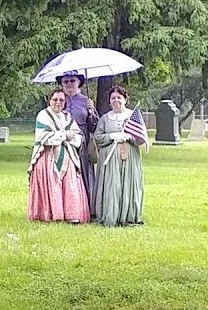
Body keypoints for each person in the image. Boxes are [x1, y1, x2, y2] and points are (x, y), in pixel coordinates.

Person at [27, 88, 91, 223]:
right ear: (49, 100)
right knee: (52, 182)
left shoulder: (67, 117)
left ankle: (71, 214)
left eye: (61, 100)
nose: (58, 102)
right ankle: (50, 213)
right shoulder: (43, 116)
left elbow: (78, 135)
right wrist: (64, 135)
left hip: (68, 156)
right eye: (55, 99)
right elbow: (44, 137)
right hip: (48, 157)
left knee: (70, 183)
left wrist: (69, 137)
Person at [92, 85, 146, 226]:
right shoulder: (105, 118)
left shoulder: (133, 117)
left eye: (119, 97)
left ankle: (128, 215)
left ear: (125, 99)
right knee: (111, 185)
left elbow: (140, 139)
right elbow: (97, 137)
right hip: (109, 159)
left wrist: (129, 137)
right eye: (113, 98)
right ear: (109, 101)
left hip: (129, 157)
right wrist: (112, 136)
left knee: (128, 183)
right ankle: (110, 215)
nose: (116, 100)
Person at [58, 71, 99, 215]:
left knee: (83, 172)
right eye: (66, 81)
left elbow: (94, 125)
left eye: (72, 81)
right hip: (62, 141)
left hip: (81, 141)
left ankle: (86, 207)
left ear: (78, 82)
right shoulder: (59, 100)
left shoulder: (85, 100)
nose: (69, 84)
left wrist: (91, 111)